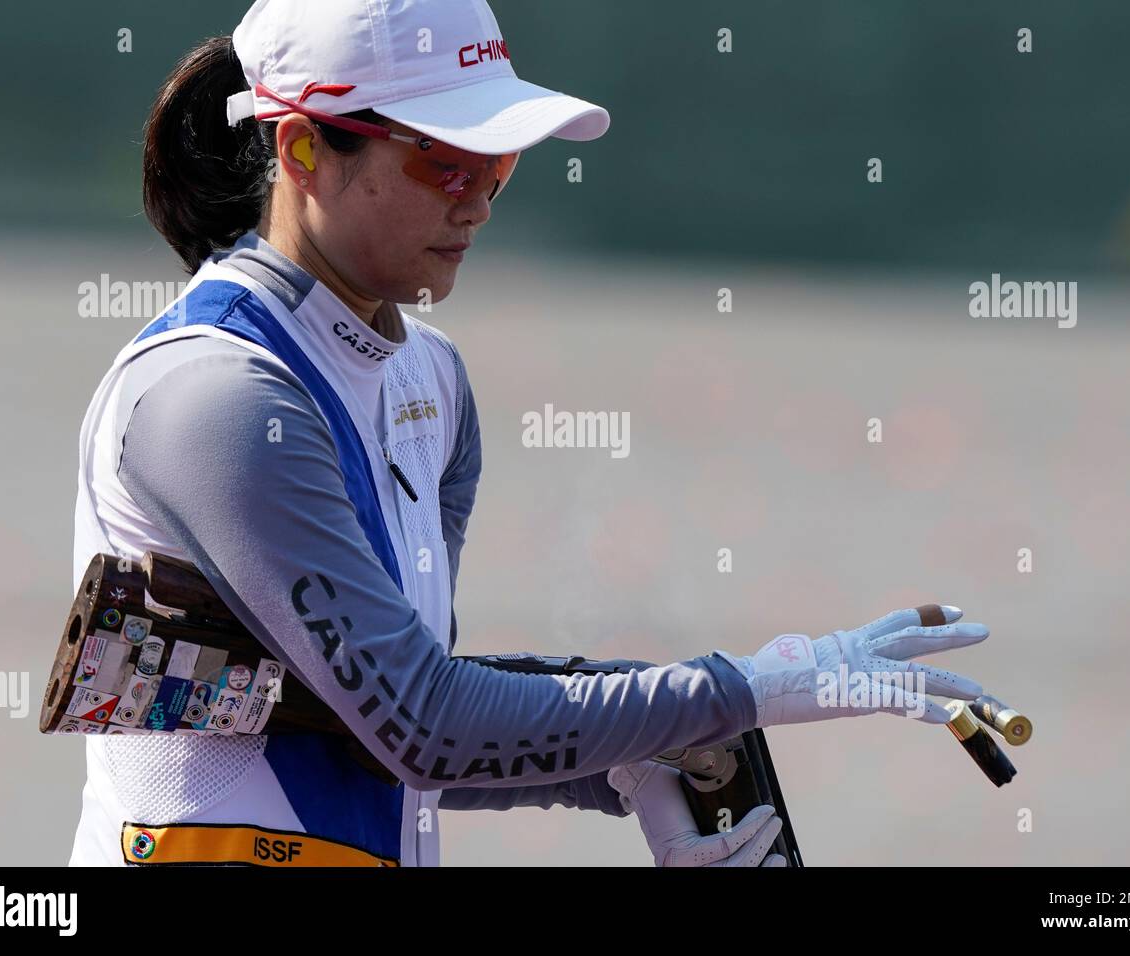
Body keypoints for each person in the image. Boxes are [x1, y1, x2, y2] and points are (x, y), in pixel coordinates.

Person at [67, 0, 990, 867]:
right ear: (304, 150)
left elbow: (366, 713)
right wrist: (741, 691)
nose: (478, 203)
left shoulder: (432, 383)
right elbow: (424, 725)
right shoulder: (215, 398)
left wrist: (623, 762)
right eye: (447, 163)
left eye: (499, 165)